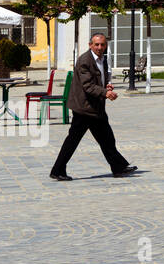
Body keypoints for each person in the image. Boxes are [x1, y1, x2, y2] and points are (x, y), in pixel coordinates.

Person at [49, 32, 137, 181]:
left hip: (95, 106)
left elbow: (99, 78)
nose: (99, 47)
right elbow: (87, 86)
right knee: (74, 140)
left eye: (102, 45)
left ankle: (118, 167)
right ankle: (58, 170)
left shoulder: (102, 59)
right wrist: (106, 93)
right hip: (84, 107)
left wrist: (106, 85)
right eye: (96, 44)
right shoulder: (84, 60)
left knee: (107, 138)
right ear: (90, 45)